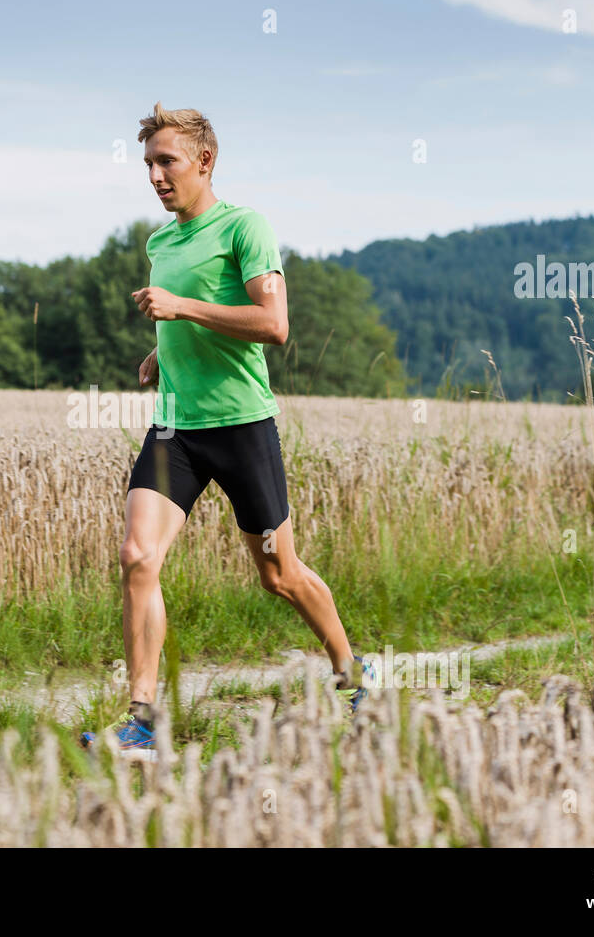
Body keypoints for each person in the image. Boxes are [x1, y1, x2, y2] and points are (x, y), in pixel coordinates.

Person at [82, 102, 376, 760]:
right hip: (176, 430)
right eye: (148, 164)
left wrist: (181, 307)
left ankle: (355, 676)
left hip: (242, 425)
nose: (156, 175)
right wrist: (166, 350)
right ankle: (142, 720)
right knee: (137, 556)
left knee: (279, 573)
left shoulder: (246, 227)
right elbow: (190, 318)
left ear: (205, 161)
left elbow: (273, 324)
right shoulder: (161, 242)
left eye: (168, 161)